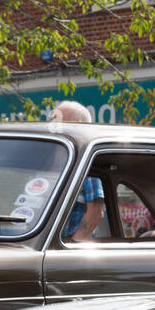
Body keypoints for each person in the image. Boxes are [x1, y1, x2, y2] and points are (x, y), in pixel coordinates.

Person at [51, 101, 105, 242]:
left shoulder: (86, 163)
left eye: (58, 120)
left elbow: (95, 212)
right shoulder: (54, 162)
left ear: (78, 124)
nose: (52, 125)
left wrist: (71, 244)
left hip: (66, 250)